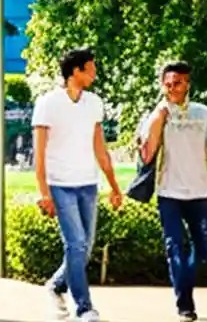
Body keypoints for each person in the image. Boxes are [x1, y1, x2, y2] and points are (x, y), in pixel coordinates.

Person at [137, 61, 207, 322]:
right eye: (168, 84)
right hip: (169, 193)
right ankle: (185, 304)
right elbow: (146, 155)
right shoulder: (155, 115)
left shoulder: (204, 114)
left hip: (200, 192)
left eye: (178, 83)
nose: (172, 89)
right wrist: (159, 118)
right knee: (174, 247)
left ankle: (186, 288)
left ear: (187, 84)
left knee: (205, 249)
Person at [33, 48, 124, 322]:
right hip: (60, 185)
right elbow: (39, 153)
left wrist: (114, 186)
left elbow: (100, 149)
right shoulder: (48, 103)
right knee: (76, 244)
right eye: (90, 68)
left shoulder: (94, 102)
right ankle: (84, 307)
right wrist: (43, 192)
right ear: (75, 71)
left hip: (88, 184)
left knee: (86, 245)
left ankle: (57, 285)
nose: (94, 73)